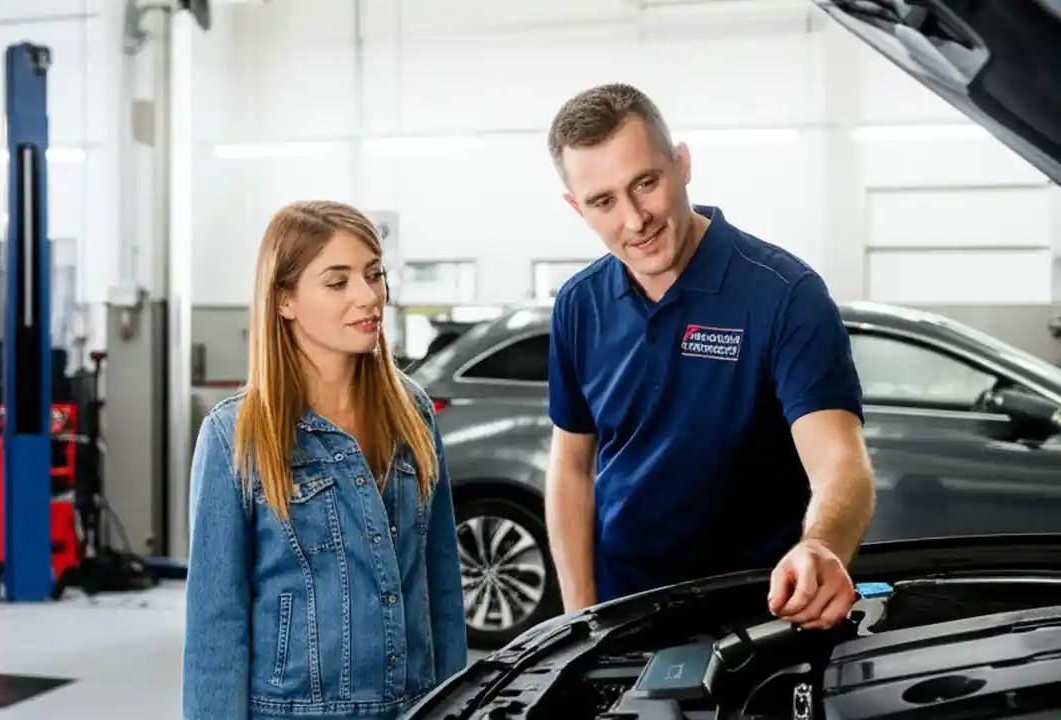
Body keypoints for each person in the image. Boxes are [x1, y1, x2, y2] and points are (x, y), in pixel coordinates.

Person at [542, 83, 876, 631]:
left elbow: (842, 464)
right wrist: (581, 621)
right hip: (625, 619)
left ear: (682, 164)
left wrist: (821, 547)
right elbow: (572, 466)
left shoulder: (784, 294)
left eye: (645, 183)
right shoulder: (579, 304)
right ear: (577, 207)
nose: (634, 219)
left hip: (761, 619)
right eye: (603, 202)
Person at [182, 200, 467, 720]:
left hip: (415, 706)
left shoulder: (413, 414)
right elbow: (214, 628)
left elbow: (442, 587)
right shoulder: (235, 436)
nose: (368, 297)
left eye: (374, 275)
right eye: (338, 282)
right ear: (285, 299)